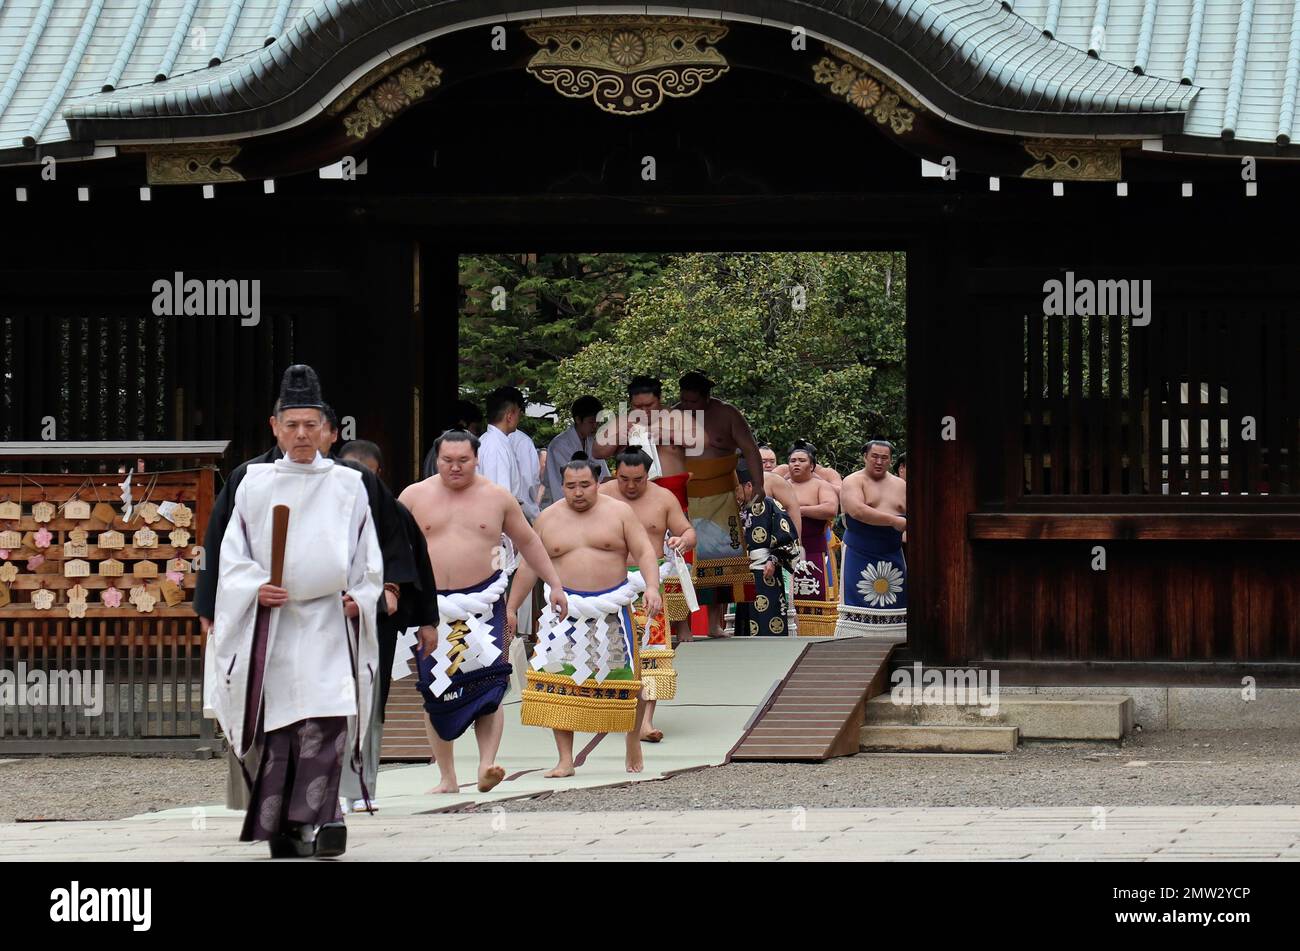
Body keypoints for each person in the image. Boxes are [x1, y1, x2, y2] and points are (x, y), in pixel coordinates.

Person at [208, 365, 382, 859]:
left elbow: (367, 556)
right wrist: (254, 588)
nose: (302, 434)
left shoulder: (349, 485)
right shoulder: (253, 483)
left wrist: (362, 597)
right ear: (275, 427)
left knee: (325, 721)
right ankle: (284, 827)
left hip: (328, 617)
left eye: (311, 425)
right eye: (292, 425)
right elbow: (231, 555)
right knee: (281, 724)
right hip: (277, 623)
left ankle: (326, 818)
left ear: (328, 428)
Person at [399, 430, 567, 794]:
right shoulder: (413, 497)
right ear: (437, 459)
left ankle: (487, 764)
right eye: (448, 461)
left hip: (484, 603)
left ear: (477, 459)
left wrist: (554, 583)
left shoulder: (497, 497)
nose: (455, 467)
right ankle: (447, 777)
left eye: (463, 460)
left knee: (490, 683)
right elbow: (391, 549)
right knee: (435, 688)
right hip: (434, 608)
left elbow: (529, 542)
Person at [508, 454, 662, 775]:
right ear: (561, 486)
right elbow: (528, 566)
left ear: (597, 483)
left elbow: (645, 550)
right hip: (565, 612)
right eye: (570, 486)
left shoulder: (619, 513)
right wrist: (511, 607)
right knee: (559, 683)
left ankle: (632, 742)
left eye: (585, 485)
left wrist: (651, 587)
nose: (578, 492)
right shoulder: (547, 519)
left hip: (612, 609)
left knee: (628, 682)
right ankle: (565, 759)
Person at [335, 440, 439, 812]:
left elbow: (419, 563)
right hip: (323, 613)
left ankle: (361, 785)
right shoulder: (318, 508)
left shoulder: (392, 511)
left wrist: (427, 619)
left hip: (376, 616)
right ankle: (328, 785)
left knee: (370, 698)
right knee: (329, 698)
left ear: (377, 474)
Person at [599, 447, 695, 742]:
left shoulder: (663, 498)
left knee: (652, 653)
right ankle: (611, 709)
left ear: (648, 475)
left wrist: (682, 540)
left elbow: (689, 532)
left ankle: (645, 722)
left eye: (637, 479)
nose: (630, 486)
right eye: (624, 478)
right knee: (608, 650)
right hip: (606, 582)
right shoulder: (600, 495)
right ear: (616, 472)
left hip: (648, 582)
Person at [594, 375, 695, 642]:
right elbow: (598, 450)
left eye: (649, 405)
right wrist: (621, 431)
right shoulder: (622, 421)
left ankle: (683, 627)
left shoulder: (675, 419)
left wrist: (661, 432)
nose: (645, 411)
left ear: (659, 401)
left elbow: (701, 441)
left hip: (668, 491)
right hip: (625, 492)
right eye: (638, 406)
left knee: (675, 557)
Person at [675, 371, 764, 638]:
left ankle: (715, 624)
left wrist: (759, 485)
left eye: (693, 402)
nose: (688, 407)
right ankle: (684, 626)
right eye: (685, 401)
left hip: (722, 496)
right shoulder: (673, 417)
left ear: (707, 396)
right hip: (685, 497)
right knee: (684, 561)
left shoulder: (727, 415)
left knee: (722, 561)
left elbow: (750, 449)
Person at [835, 440, 908, 639]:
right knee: (857, 603)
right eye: (874, 456)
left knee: (896, 604)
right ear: (865, 457)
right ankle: (852, 643)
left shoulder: (901, 485)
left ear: (891, 460)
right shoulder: (853, 481)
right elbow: (857, 511)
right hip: (860, 551)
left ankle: (898, 642)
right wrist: (893, 521)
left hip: (893, 552)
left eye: (884, 458)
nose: (879, 461)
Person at [734, 459, 801, 635]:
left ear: (749, 485)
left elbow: (787, 538)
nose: (736, 495)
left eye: (737, 489)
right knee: (745, 622)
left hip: (765, 570)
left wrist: (773, 560)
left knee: (768, 620)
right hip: (743, 573)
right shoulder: (738, 509)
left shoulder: (770, 504)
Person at [476, 388, 537, 520]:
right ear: (509, 416)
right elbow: (500, 499)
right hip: (498, 527)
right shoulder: (495, 446)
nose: (519, 418)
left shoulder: (490, 440)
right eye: (518, 414)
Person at [544, 395, 609, 507]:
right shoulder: (559, 445)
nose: (595, 426)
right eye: (591, 422)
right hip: (561, 505)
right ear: (578, 419)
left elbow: (602, 474)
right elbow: (557, 484)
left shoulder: (591, 440)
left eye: (597, 422)